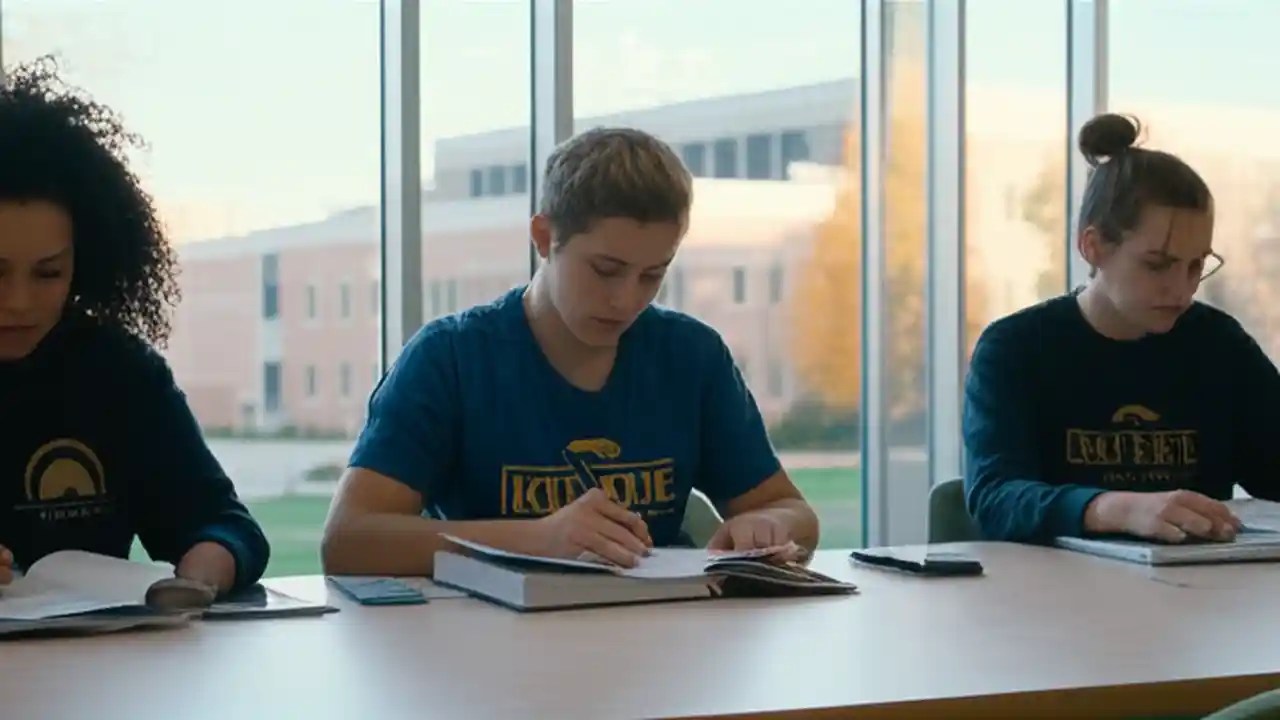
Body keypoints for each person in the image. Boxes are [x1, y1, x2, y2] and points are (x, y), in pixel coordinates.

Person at [322, 127, 820, 575]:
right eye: (605, 270)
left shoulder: (691, 356)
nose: (627, 299)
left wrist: (768, 528)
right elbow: (349, 539)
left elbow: (792, 512)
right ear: (544, 237)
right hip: (484, 650)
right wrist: (538, 540)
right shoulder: (450, 358)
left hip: (658, 642)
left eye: (653, 275)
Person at [0, 58, 270, 594]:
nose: (19, 302)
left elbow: (222, 524)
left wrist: (201, 573)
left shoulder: (119, 373)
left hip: (97, 671)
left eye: (48, 273)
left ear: (87, 262)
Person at [963, 112, 1280, 545]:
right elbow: (996, 497)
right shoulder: (1017, 348)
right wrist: (1115, 507)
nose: (1182, 289)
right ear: (1092, 247)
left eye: (1196, 266)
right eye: (1157, 264)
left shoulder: (1219, 345)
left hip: (1199, 595)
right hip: (1050, 595)